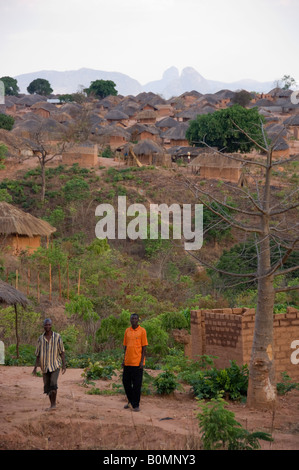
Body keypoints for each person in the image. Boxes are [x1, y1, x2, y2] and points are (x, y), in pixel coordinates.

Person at [32, 318, 66, 411]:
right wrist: (35, 368)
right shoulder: (40, 339)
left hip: (55, 365)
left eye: (49, 325)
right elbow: (38, 354)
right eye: (46, 325)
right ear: (43, 326)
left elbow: (62, 351)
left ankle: (54, 405)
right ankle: (52, 404)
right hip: (44, 366)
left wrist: (64, 365)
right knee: (47, 386)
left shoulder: (57, 337)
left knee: (53, 384)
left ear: (51, 325)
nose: (47, 326)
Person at [122, 314, 148, 412]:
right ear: (130, 320)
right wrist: (123, 360)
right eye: (132, 318)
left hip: (137, 363)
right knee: (126, 383)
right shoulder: (127, 331)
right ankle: (131, 401)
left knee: (137, 385)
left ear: (138, 320)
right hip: (128, 362)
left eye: (135, 318)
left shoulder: (142, 331)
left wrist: (142, 361)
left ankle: (136, 405)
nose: (134, 320)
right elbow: (125, 346)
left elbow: (144, 347)